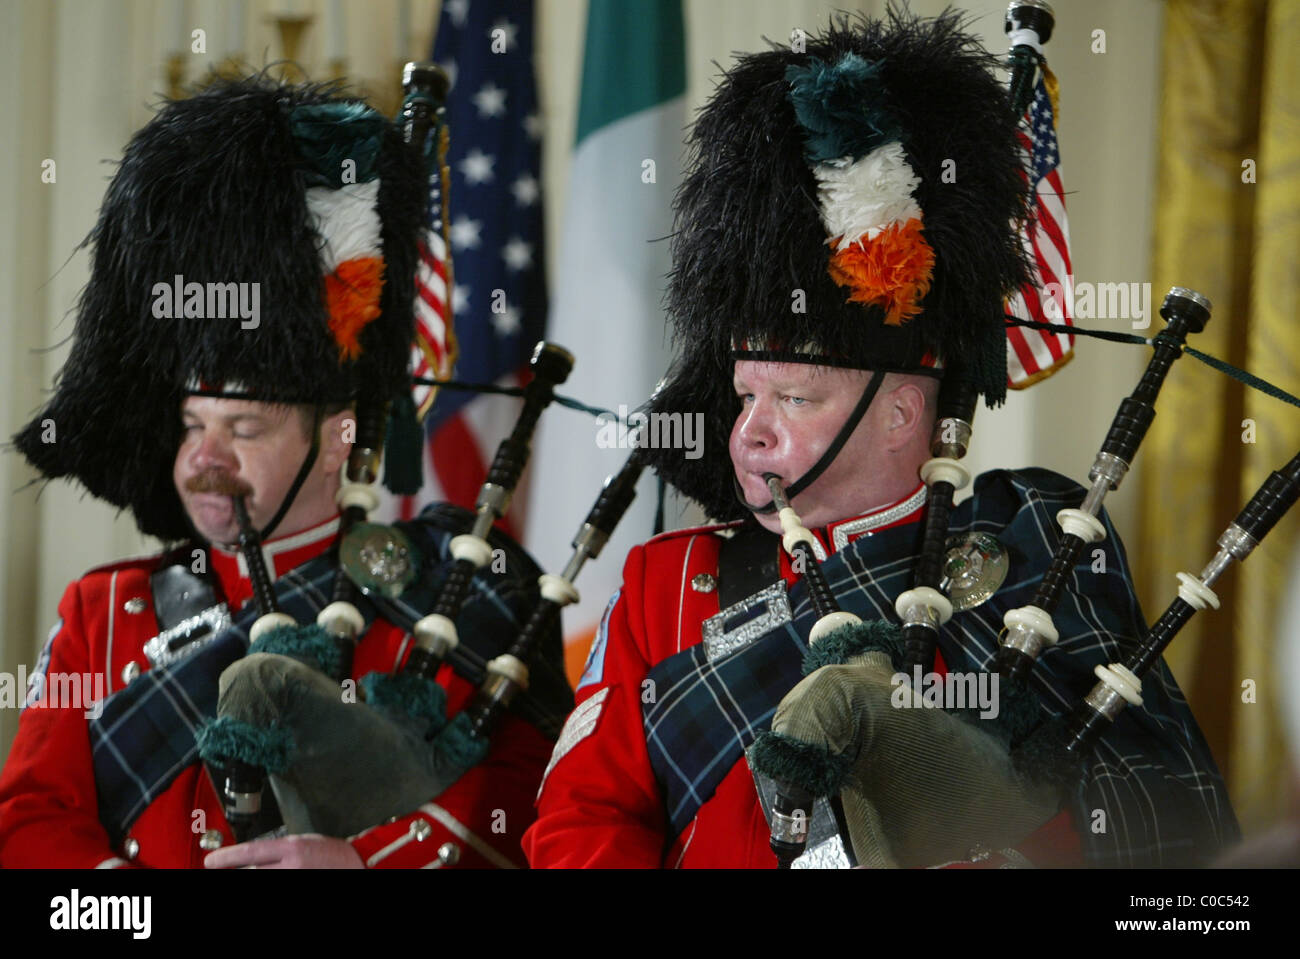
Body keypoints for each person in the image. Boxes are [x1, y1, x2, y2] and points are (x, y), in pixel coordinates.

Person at [522, 11, 1236, 868]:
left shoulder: (1033, 554)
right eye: (746, 393)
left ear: (900, 413)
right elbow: (579, 824)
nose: (747, 432)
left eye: (793, 395)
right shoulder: (663, 584)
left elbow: (1156, 825)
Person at [0, 74, 571, 869]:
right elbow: (32, 817)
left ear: (339, 436)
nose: (204, 457)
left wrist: (366, 865)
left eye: (243, 428)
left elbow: (531, 801)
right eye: (192, 425)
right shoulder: (101, 609)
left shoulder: (455, 586)